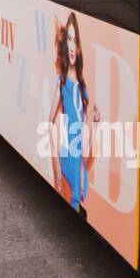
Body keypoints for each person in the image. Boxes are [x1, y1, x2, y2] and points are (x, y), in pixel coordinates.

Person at [47, 12, 99, 218]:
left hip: (81, 161)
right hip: (67, 156)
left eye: (74, 40)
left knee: (77, 203)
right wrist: (57, 165)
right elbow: (49, 123)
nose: (71, 45)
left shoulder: (83, 84)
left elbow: (84, 126)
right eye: (68, 38)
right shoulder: (61, 81)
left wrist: (93, 120)